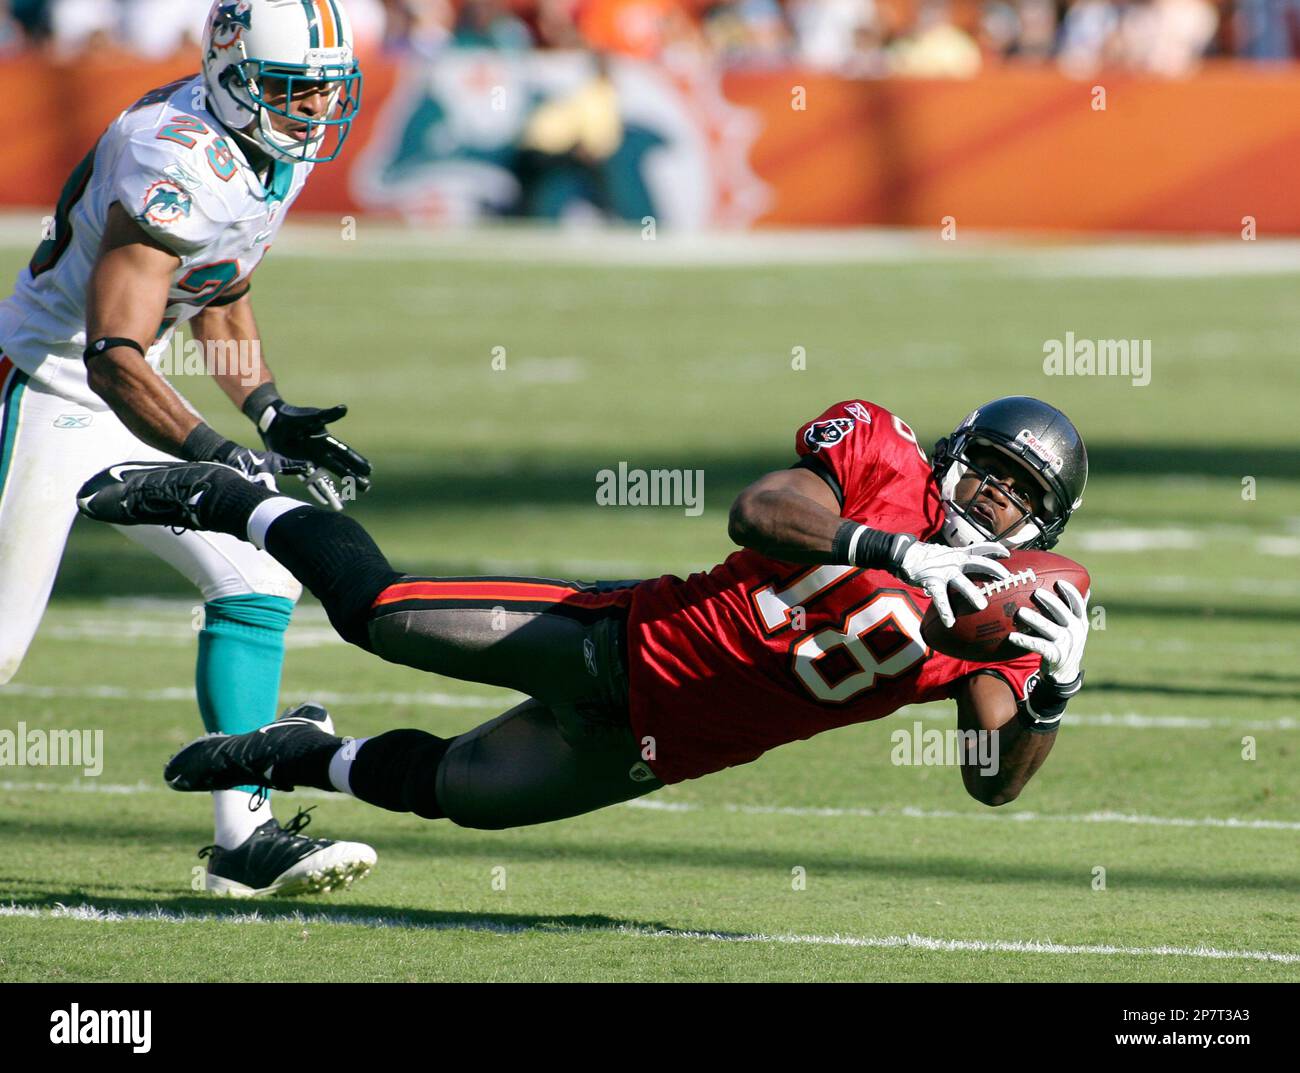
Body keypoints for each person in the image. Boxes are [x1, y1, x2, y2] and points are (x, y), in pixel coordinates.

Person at [77, 396, 1091, 829]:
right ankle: (233, 498)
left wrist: (1053, 689)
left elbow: (990, 781)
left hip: (665, 745)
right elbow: (759, 511)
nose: (993, 496)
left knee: (461, 793)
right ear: (954, 451)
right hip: (615, 645)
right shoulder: (885, 460)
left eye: (1020, 493)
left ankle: (302, 752)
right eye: (989, 467)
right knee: (379, 613)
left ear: (1042, 522)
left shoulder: (1018, 611)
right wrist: (896, 550)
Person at [0, 0, 377, 896]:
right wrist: (215, 451)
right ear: (234, 74)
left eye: (325, 89)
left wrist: (268, 411)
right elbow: (112, 354)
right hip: (43, 389)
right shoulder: (173, 157)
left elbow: (219, 285)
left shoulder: (265, 145)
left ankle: (243, 841)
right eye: (292, 88)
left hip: (122, 391)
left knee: (259, 579)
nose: (314, 109)